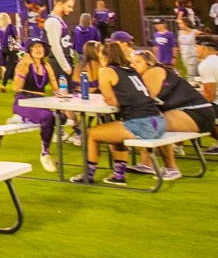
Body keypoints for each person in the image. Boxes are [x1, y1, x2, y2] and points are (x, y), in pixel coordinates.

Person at [69, 41, 165, 186]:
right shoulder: (132, 70)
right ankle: (118, 175)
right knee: (113, 131)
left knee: (91, 133)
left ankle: (88, 176)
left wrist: (117, 98)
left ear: (106, 57)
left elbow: (110, 100)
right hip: (158, 121)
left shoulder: (106, 71)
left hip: (141, 123)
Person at [130, 48, 215, 181]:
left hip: (197, 112)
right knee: (147, 120)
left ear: (149, 63)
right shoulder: (146, 75)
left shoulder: (154, 72)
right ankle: (147, 164)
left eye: (138, 62)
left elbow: (145, 100)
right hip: (190, 112)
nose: (133, 65)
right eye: (131, 62)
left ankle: (172, 168)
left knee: (154, 123)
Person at [9, 39, 61, 173]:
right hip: (23, 101)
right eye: (34, 47)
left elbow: (56, 88)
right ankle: (45, 152)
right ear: (29, 51)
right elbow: (16, 87)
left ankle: (24, 119)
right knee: (47, 116)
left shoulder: (47, 66)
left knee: (61, 117)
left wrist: (62, 95)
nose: (38, 49)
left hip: (40, 101)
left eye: (40, 47)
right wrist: (23, 68)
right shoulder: (24, 65)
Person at [44, 0, 76, 77]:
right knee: (64, 90)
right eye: (69, 6)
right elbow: (55, 45)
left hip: (63, 62)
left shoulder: (58, 20)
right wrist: (65, 66)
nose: (71, 10)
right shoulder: (53, 21)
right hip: (59, 65)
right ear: (60, 4)